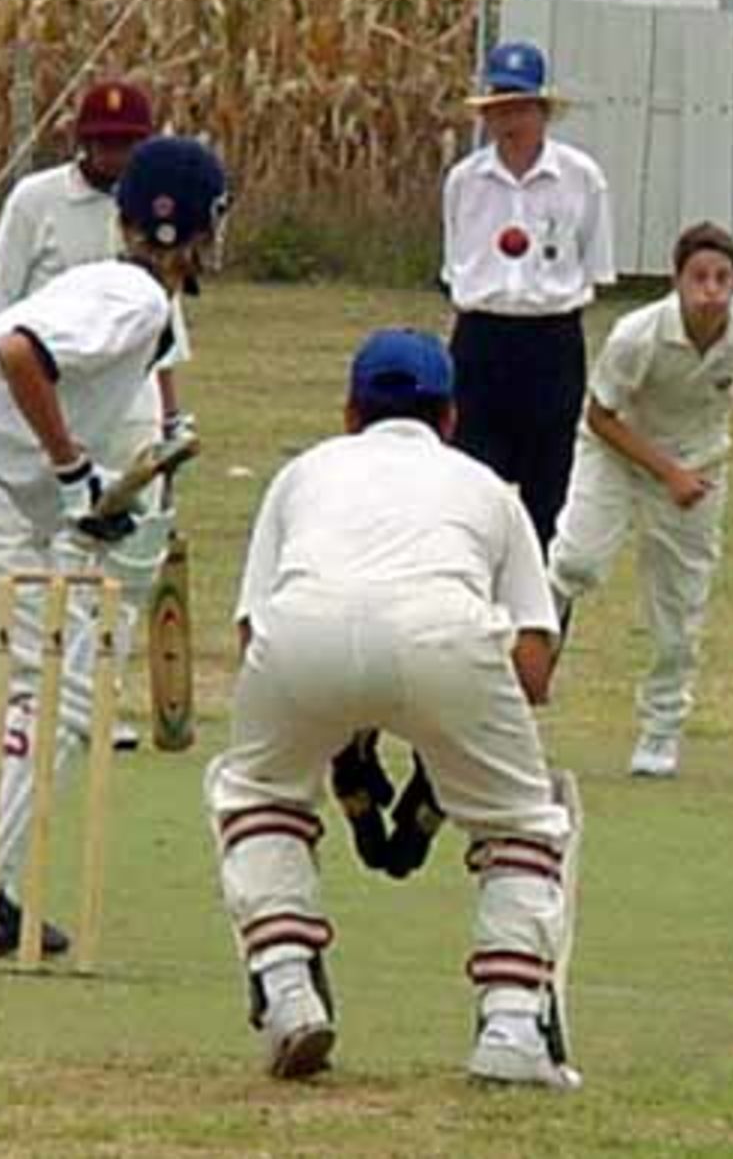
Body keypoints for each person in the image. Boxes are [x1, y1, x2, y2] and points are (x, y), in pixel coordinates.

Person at [0, 136, 230, 957]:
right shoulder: (131, 295)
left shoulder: (125, 296)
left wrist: (87, 509)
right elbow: (20, 356)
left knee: (45, 677)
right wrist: (71, 471)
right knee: (54, 679)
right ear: (200, 227)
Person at [204, 328, 580, 1088]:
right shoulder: (485, 487)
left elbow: (252, 637)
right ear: (451, 419)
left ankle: (286, 990)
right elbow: (534, 670)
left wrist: (340, 729)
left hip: (299, 639)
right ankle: (509, 1027)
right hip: (448, 639)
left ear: (349, 412)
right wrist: (452, 748)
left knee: (256, 792)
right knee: (521, 823)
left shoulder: (301, 474)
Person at [0, 78, 191, 750]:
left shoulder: (158, 198)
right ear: (80, 141)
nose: (115, 157)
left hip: (131, 399)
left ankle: (96, 703)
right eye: (104, 144)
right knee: (33, 551)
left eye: (127, 145)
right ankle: (13, 701)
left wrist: (172, 420)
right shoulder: (37, 201)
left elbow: (167, 318)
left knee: (124, 557)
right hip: (49, 397)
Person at [548, 220, 733, 778]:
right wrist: (667, 472)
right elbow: (599, 416)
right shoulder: (636, 336)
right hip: (615, 454)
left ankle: (661, 730)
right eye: (699, 278)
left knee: (678, 604)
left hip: (698, 467)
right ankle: (519, 679)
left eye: (722, 278)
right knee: (575, 563)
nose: (712, 290)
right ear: (677, 280)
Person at [441, 39, 616, 555]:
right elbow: (459, 266)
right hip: (482, 338)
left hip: (551, 340)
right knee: (473, 483)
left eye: (520, 108)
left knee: (549, 490)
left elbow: (592, 265)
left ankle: (545, 618)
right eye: (499, 109)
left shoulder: (582, 179)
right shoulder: (464, 182)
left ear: (542, 111)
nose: (509, 121)